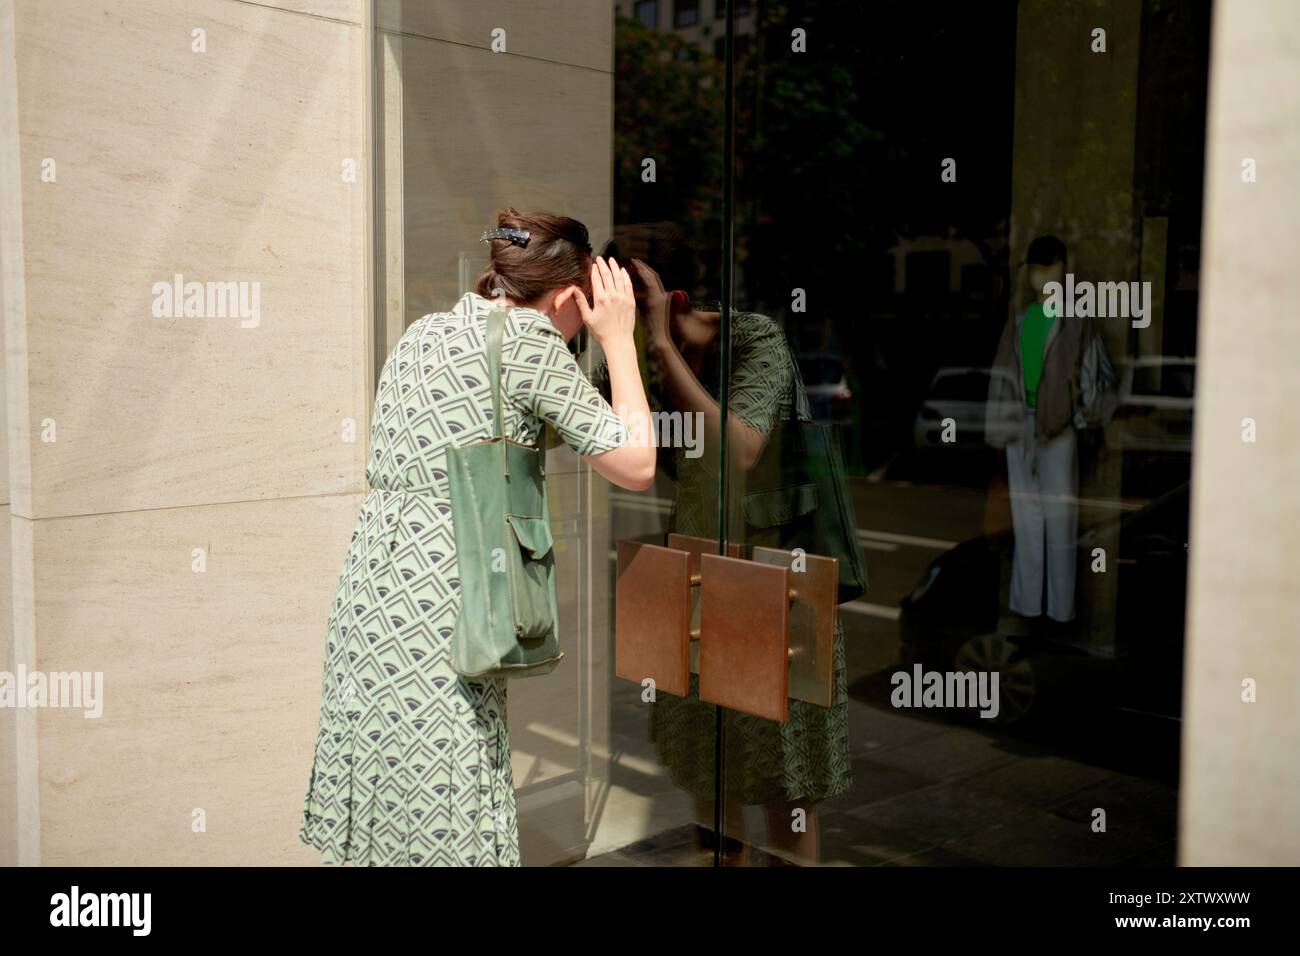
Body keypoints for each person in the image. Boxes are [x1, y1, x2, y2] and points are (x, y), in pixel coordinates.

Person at [299, 208, 655, 866]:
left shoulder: (422, 333)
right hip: (450, 599)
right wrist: (619, 341)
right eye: (585, 311)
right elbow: (636, 463)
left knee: (391, 797)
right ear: (571, 296)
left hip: (372, 595)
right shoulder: (529, 341)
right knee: (453, 800)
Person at [595, 224, 853, 864]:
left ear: (670, 300)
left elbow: (739, 450)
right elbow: (589, 424)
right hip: (695, 571)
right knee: (710, 775)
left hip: (774, 578)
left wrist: (657, 344)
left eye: (623, 307)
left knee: (783, 783)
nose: (615, 325)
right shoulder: (629, 360)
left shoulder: (754, 338)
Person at [985, 234, 1107, 629]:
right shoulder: (1021, 321)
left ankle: (1059, 611)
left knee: (1059, 522)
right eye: (1038, 269)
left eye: (1049, 267)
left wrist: (1083, 421)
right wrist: (1001, 429)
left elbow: (1094, 378)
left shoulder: (1076, 321)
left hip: (1058, 429)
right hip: (1024, 428)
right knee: (1027, 521)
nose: (1043, 276)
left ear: (1063, 270)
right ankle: (1028, 609)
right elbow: (1004, 379)